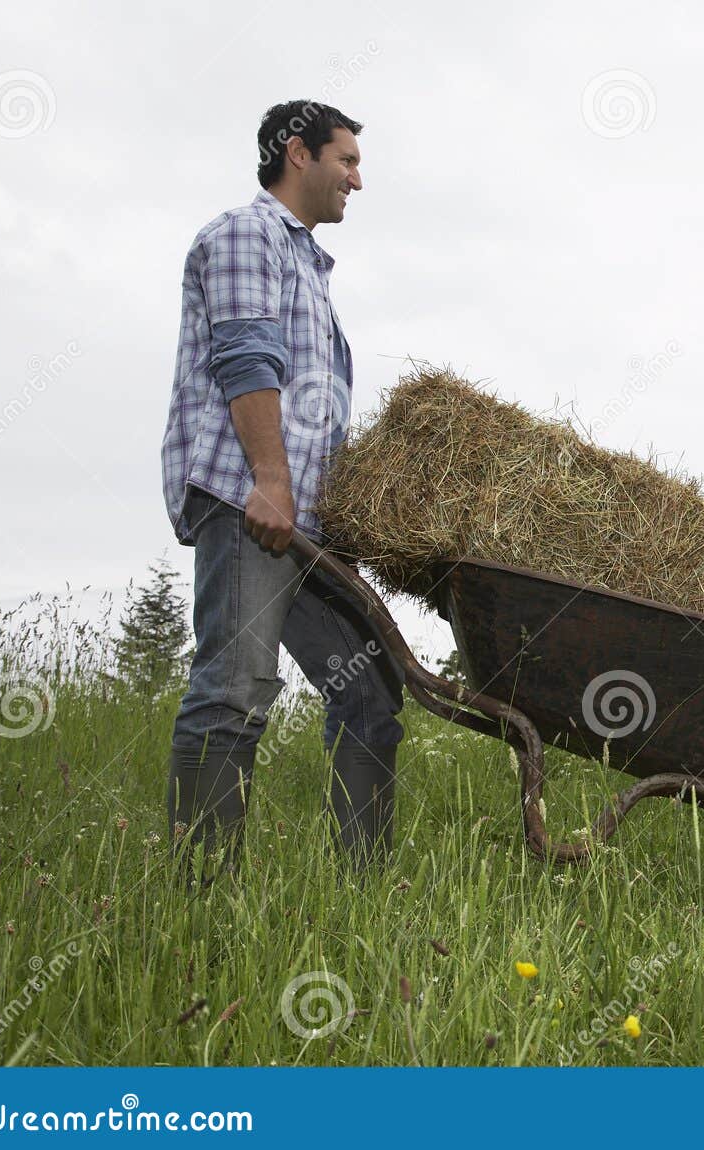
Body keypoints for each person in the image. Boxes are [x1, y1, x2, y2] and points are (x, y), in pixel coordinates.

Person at [160, 99, 403, 883]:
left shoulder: (309, 265)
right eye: (348, 161)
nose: (357, 181)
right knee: (234, 691)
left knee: (370, 692)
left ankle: (363, 887)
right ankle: (200, 893)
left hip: (304, 522)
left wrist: (338, 532)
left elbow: (316, 418)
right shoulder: (244, 235)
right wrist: (270, 480)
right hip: (250, 501)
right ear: (298, 154)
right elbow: (245, 357)